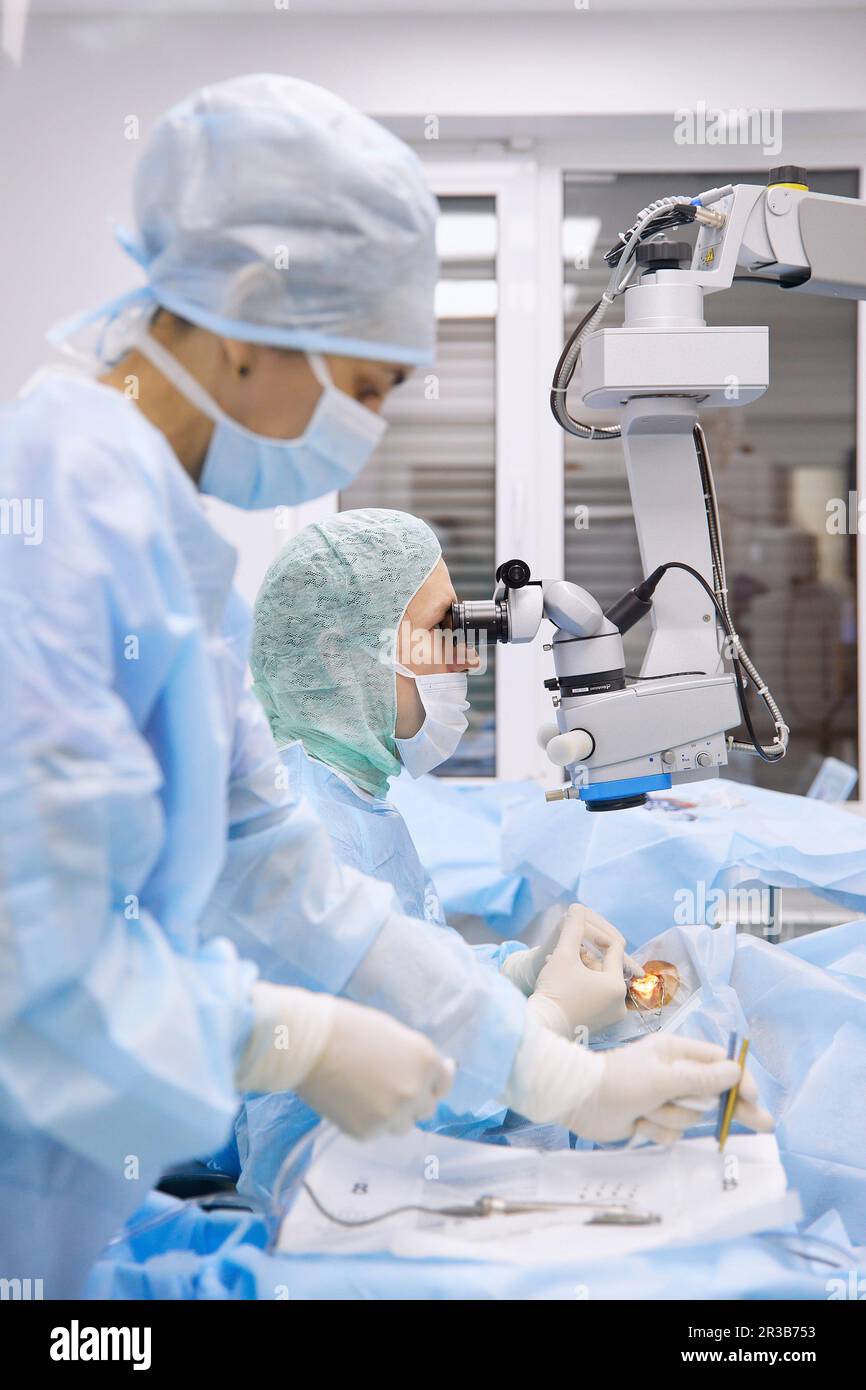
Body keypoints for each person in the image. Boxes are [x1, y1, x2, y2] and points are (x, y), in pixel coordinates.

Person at [0, 73, 768, 1297]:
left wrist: (554, 1070)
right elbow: (34, 967)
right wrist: (284, 1037)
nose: (362, 430)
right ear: (248, 310)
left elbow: (278, 870)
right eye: (361, 388)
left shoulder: (161, 532)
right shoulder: (55, 514)